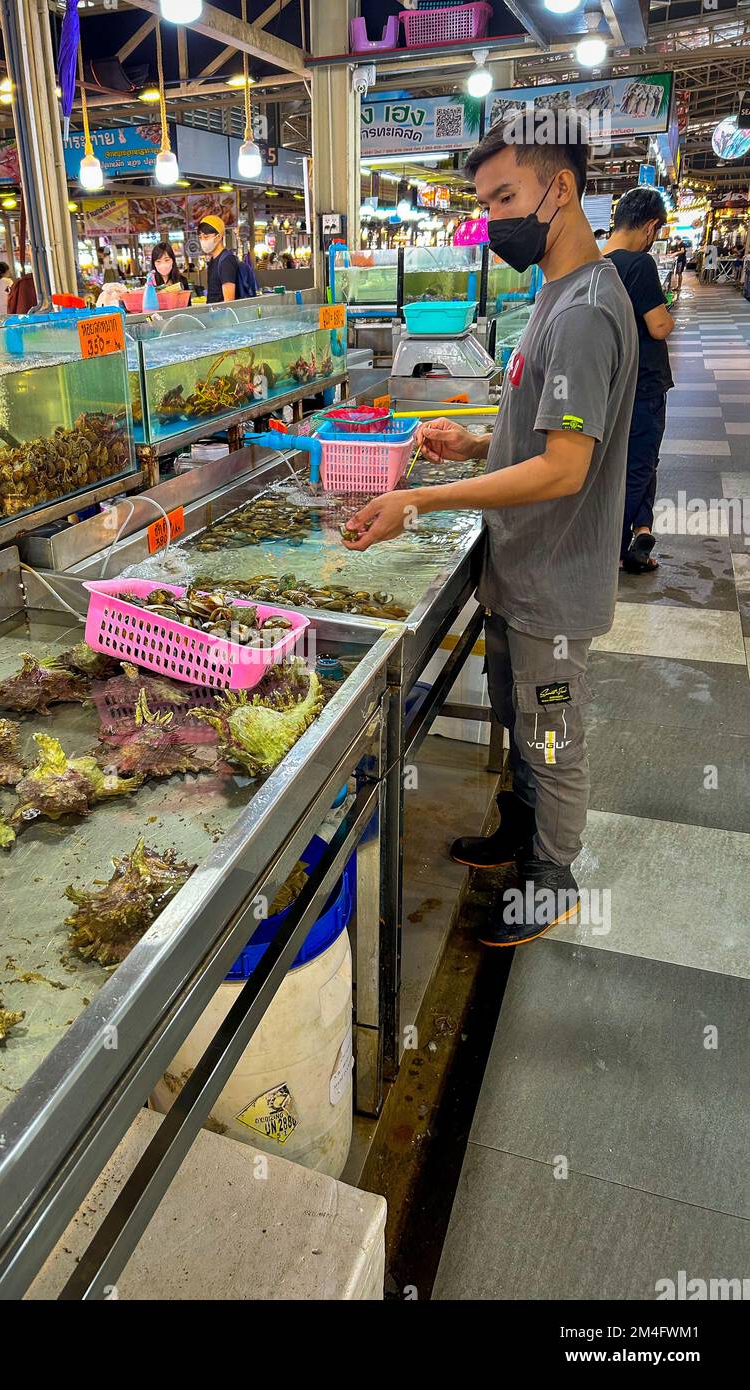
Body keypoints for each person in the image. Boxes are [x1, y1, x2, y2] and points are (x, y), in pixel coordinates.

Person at [342, 120, 638, 948]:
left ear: (561, 190)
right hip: (521, 565)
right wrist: (473, 443)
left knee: (549, 729)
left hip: (555, 575)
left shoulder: (584, 309)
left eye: (505, 197)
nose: (494, 218)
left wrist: (420, 503)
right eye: (483, 204)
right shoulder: (553, 292)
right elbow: (539, 431)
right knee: (516, 714)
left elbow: (563, 469)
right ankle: (519, 826)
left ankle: (553, 873)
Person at [604, 186, 675, 575]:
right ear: (650, 227)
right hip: (644, 383)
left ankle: (639, 541)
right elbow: (660, 325)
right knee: (639, 466)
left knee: (633, 464)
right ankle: (610, 548)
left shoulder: (595, 262)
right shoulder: (639, 264)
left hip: (613, 382)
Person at [198, 215, 241, 303]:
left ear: (218, 237)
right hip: (214, 313)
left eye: (206, 237)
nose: (202, 240)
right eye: (200, 237)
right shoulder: (213, 260)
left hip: (222, 315)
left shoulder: (226, 261)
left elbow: (229, 300)